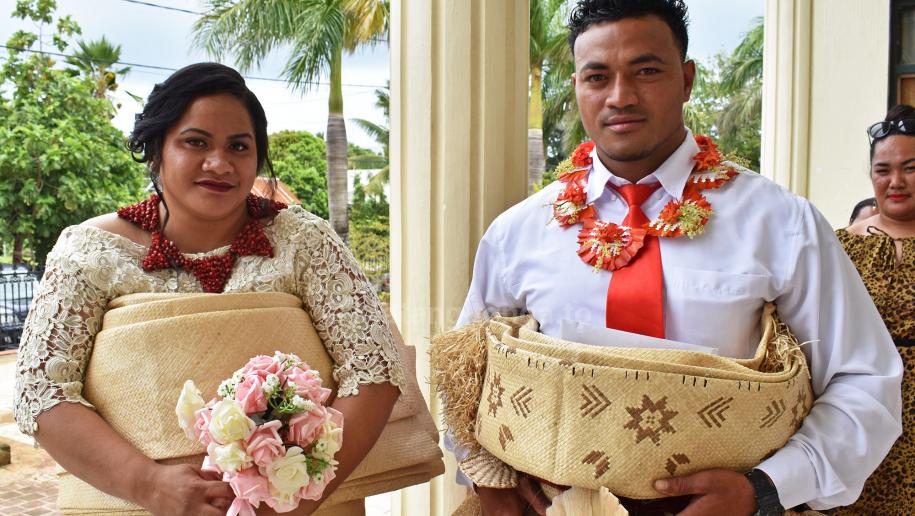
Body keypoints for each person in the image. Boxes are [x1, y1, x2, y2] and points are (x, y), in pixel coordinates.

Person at [450, 1, 903, 515]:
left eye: (646, 71)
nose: (620, 96)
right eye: (597, 76)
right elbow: (467, 374)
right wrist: (489, 475)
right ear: (576, 85)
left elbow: (865, 380)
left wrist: (763, 490)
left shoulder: (781, 223)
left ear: (686, 79)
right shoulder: (521, 232)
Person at [12, 63, 404, 516]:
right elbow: (41, 392)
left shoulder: (303, 241)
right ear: (156, 149)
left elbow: (375, 370)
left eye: (239, 146)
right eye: (195, 142)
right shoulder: (90, 251)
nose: (219, 163)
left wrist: (290, 496)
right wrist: (149, 484)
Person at [833, 105, 915, 515]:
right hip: (856, 417)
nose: (895, 181)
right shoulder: (837, 247)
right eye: (883, 170)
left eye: (910, 168)